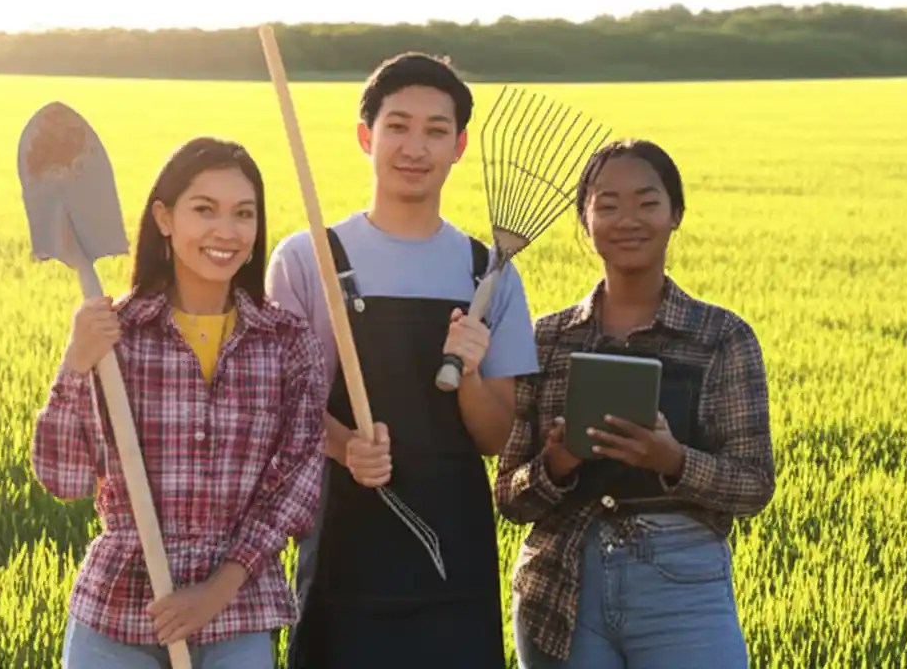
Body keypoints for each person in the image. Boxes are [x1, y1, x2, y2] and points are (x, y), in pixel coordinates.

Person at [265, 52, 539, 669]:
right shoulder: (310, 258)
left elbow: (496, 435)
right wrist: (344, 447)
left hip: (455, 554)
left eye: (436, 130)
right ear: (367, 136)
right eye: (398, 126)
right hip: (345, 546)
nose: (415, 146)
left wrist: (469, 369)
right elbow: (282, 406)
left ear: (460, 146)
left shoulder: (487, 272)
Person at [31, 137, 329, 668]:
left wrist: (216, 590)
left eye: (244, 214)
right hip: (119, 615)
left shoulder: (286, 343)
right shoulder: (114, 333)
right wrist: (76, 364)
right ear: (164, 218)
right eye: (204, 210)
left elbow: (296, 485)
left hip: (236, 614)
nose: (226, 231)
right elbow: (65, 480)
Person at [495, 138, 776, 668]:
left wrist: (671, 460)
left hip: (681, 582)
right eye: (607, 205)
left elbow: (754, 483)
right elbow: (509, 495)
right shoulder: (546, 339)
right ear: (585, 221)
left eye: (648, 203)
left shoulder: (720, 337)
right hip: (560, 583)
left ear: (676, 215)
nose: (628, 219)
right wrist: (559, 462)